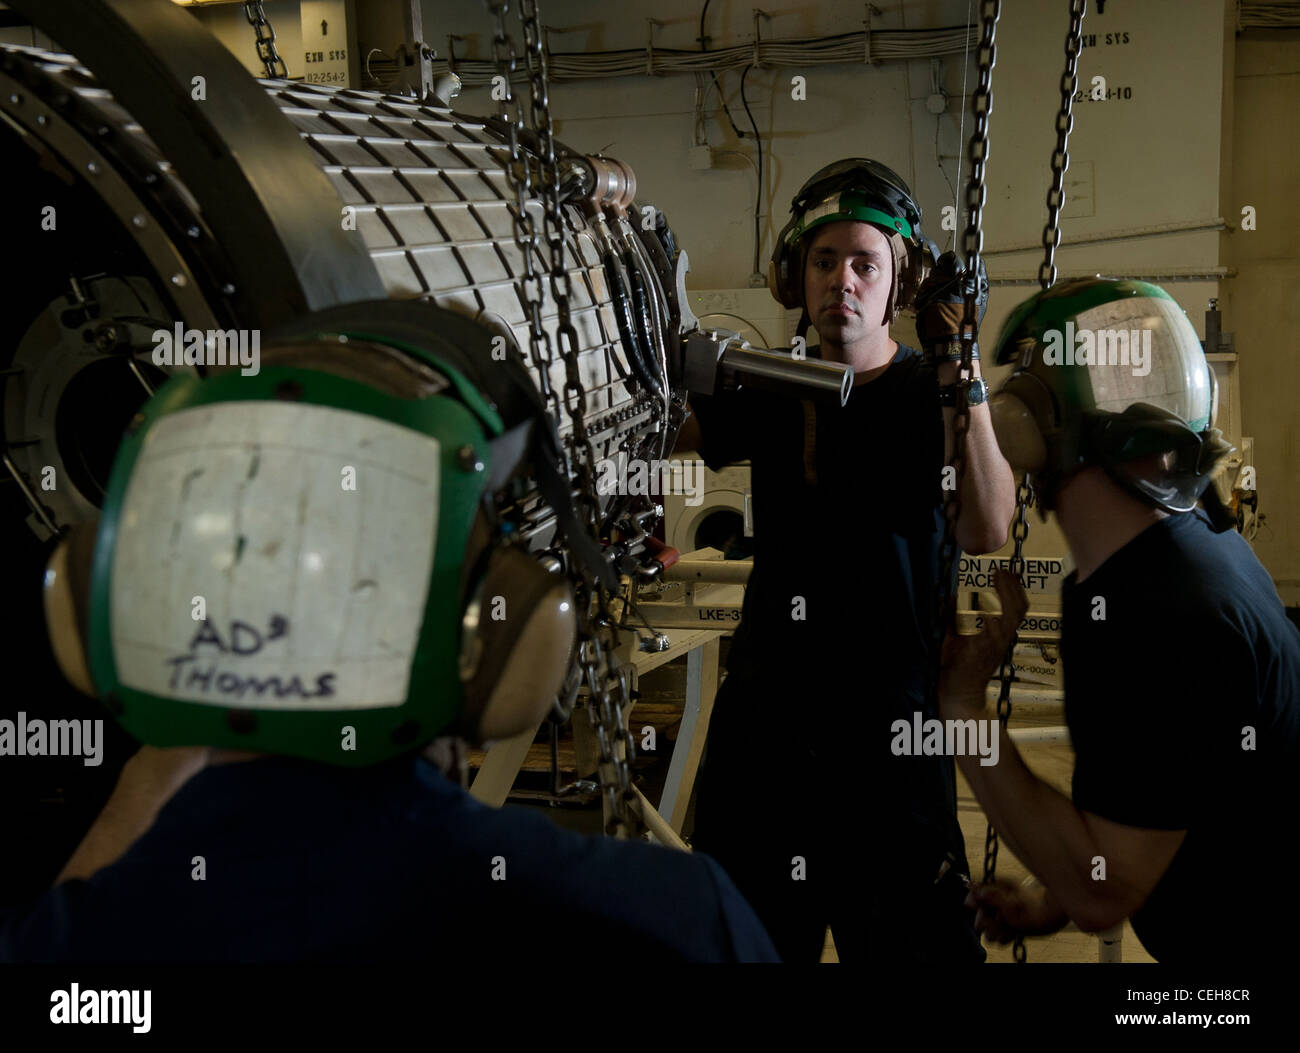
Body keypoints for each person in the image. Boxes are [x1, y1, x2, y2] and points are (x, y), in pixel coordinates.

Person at [0, 303, 779, 963]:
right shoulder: (676, 924)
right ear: (506, 629)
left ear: (97, 611)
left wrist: (155, 769)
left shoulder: (72, 949)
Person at [678, 159, 1016, 962]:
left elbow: (988, 526)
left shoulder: (931, 393)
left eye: (865, 262)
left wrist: (961, 369)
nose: (843, 281)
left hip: (891, 734)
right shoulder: (768, 385)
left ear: (899, 280)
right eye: (824, 261)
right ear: (796, 276)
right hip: (767, 726)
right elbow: (660, 432)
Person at [940, 277, 1300, 963]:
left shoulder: (1161, 616)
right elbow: (1174, 790)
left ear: (1029, 423)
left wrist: (961, 706)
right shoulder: (1197, 546)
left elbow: (1104, 892)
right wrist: (1055, 896)